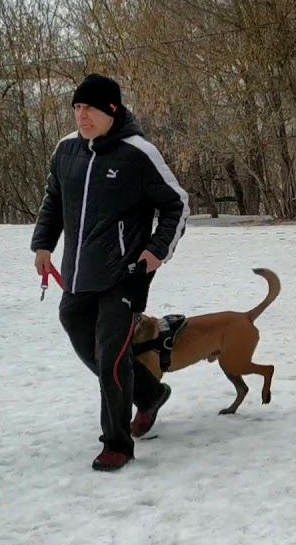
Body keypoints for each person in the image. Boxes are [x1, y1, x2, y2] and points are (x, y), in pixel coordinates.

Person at [31, 73, 190, 472]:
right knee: (80, 330)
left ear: (112, 111)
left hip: (125, 274)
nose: (81, 115)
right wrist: (43, 245)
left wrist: (156, 252)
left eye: (90, 109)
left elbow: (178, 205)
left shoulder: (138, 153)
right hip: (79, 273)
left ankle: (116, 443)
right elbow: (54, 199)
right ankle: (150, 393)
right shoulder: (66, 150)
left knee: (113, 355)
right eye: (77, 108)